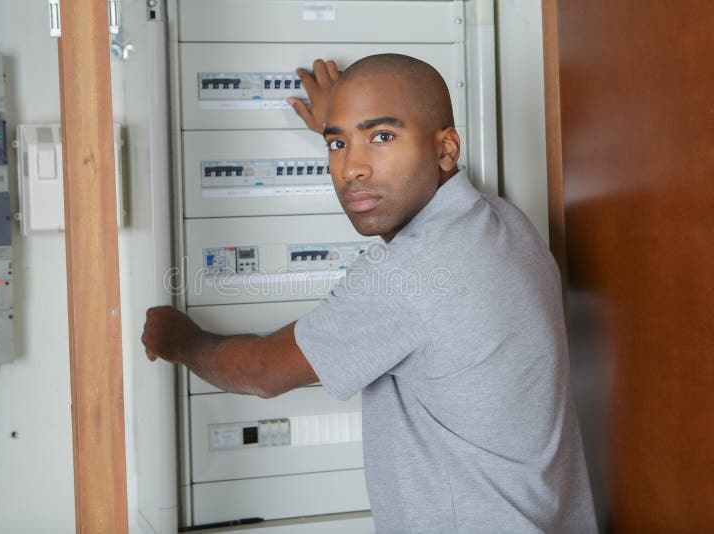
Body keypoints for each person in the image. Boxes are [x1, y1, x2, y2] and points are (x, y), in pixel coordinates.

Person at [142, 54, 597, 533]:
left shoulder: (408, 275)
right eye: (337, 144)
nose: (351, 169)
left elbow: (260, 371)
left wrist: (177, 339)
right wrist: (354, 127)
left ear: (446, 149)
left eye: (382, 136)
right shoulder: (507, 223)